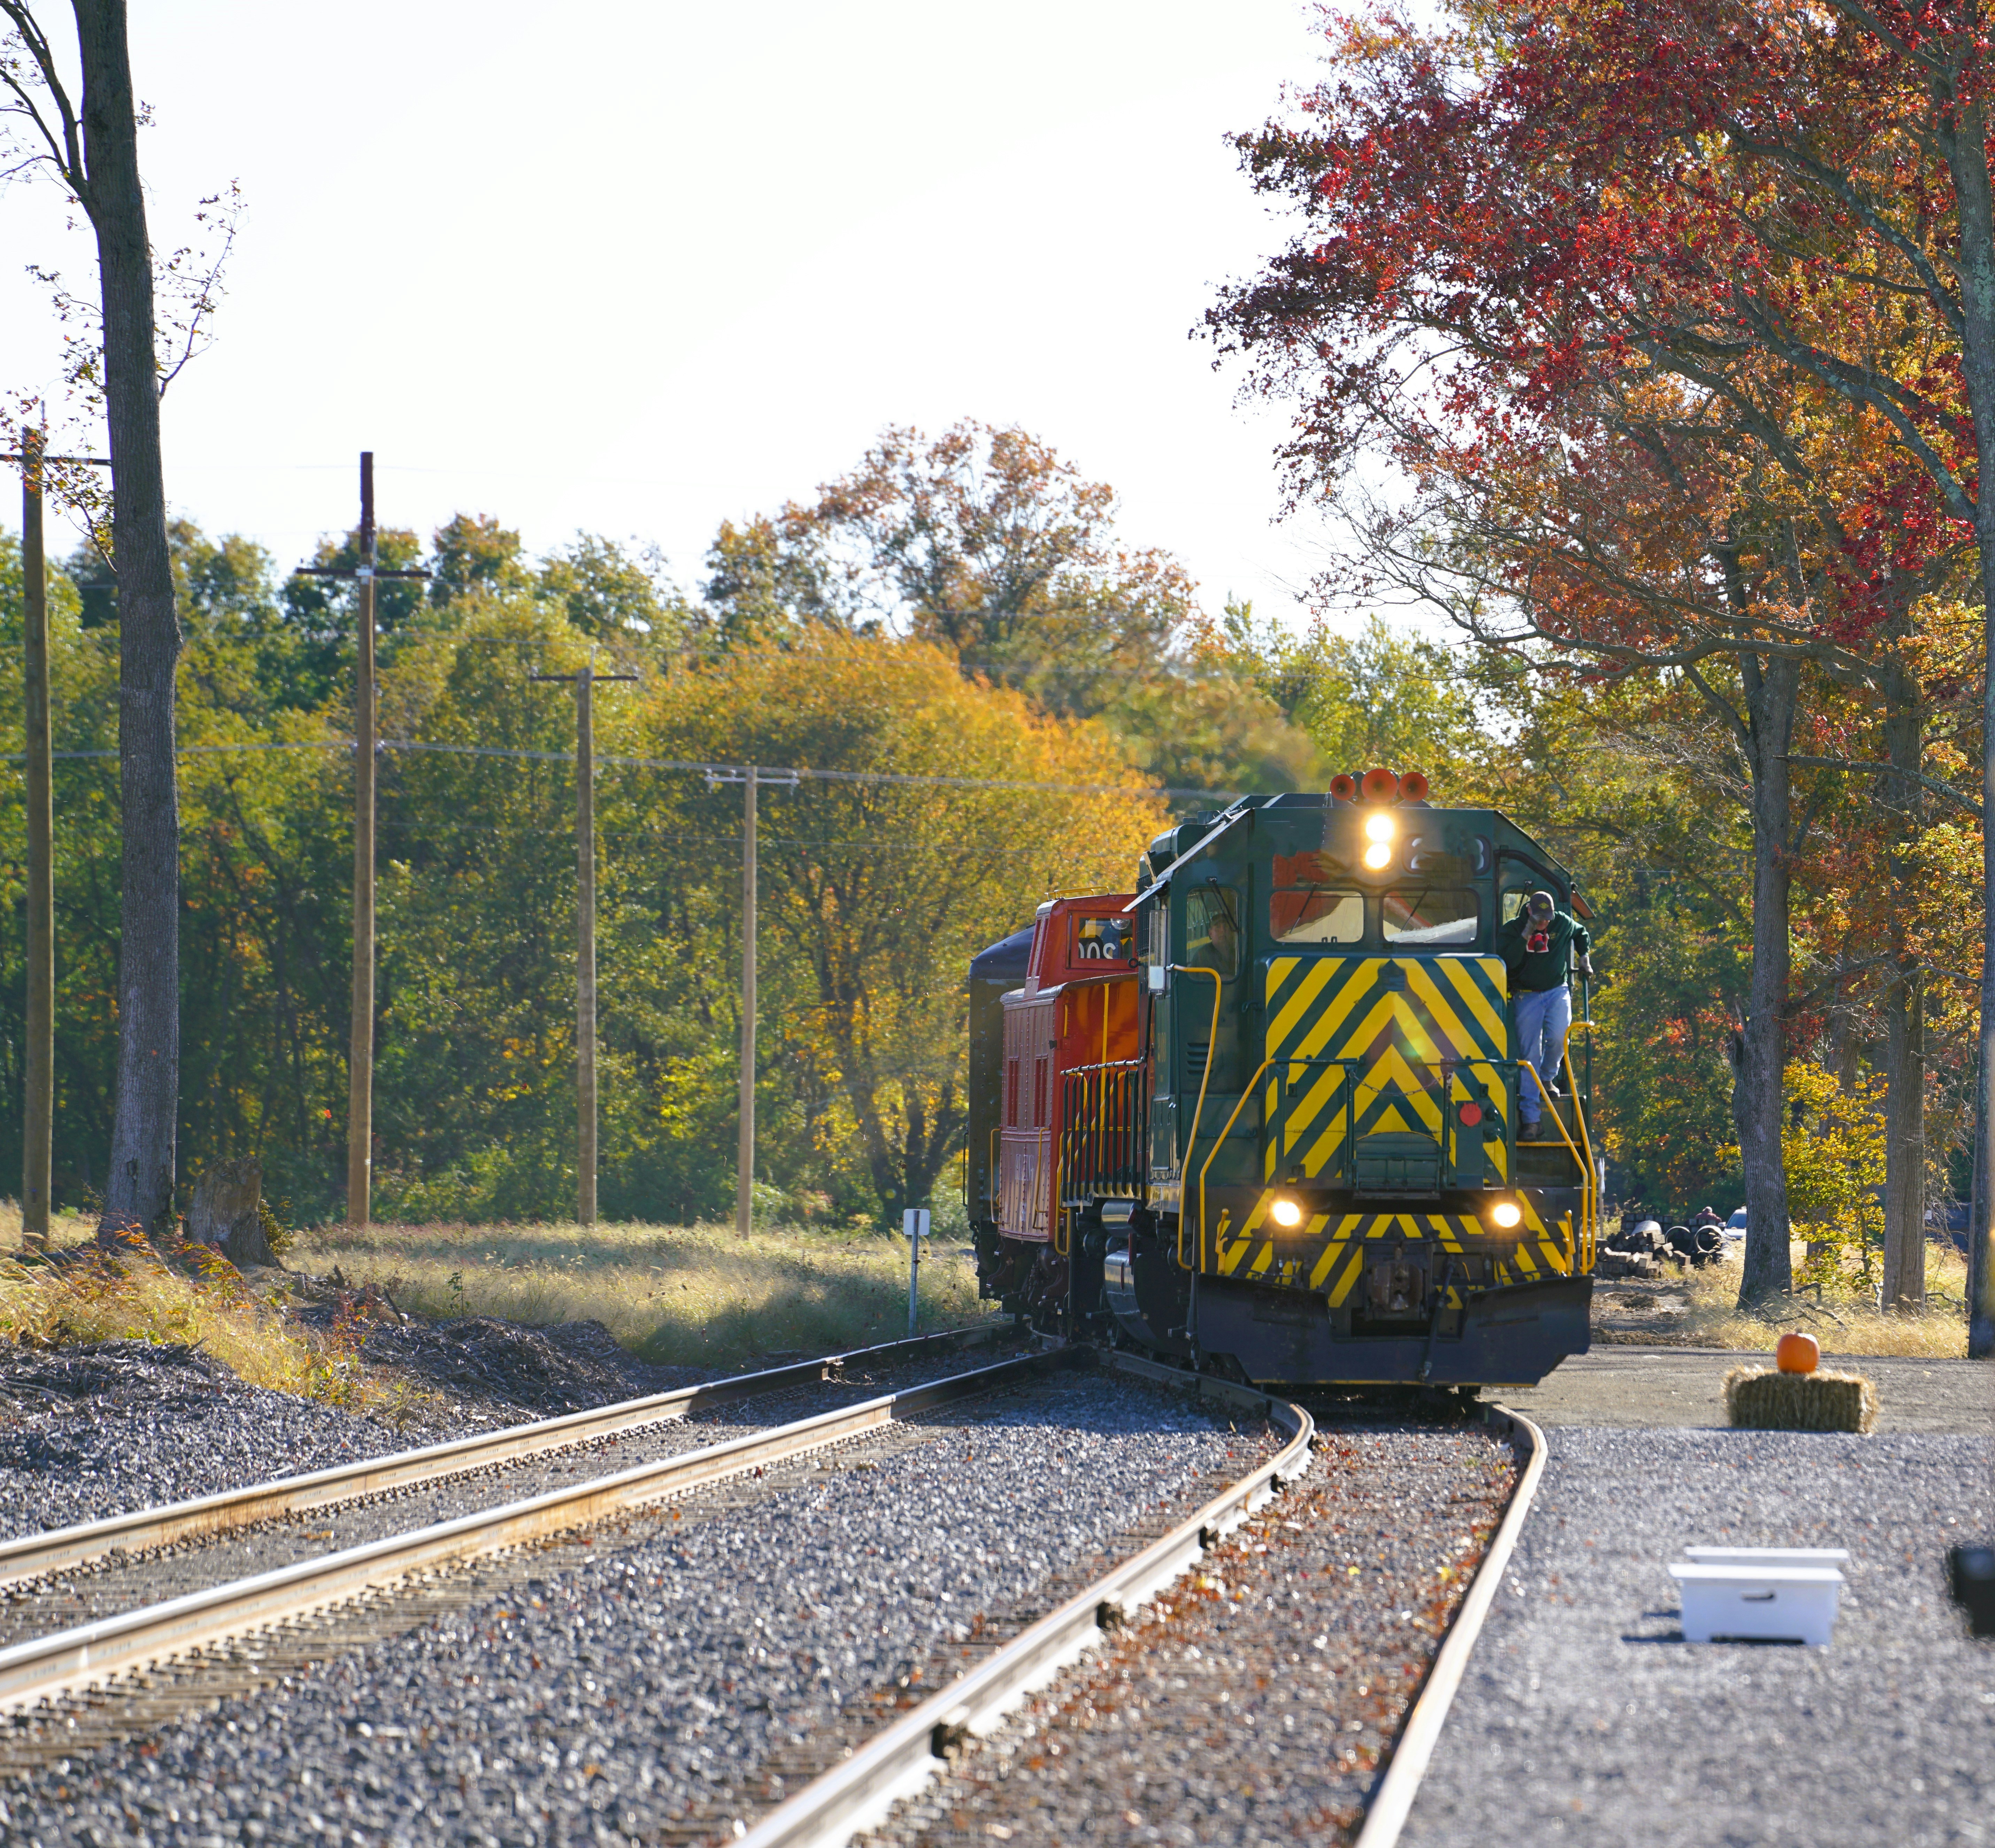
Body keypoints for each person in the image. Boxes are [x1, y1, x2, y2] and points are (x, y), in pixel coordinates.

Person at [1497, 889, 1592, 1134]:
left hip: (1556, 991)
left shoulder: (1561, 921)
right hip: (1525, 995)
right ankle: (1531, 1119)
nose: (1544, 923)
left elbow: (1581, 933)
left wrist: (1585, 958)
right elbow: (1508, 961)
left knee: (1561, 1037)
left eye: (1547, 918)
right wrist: (1527, 932)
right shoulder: (1512, 929)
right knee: (1530, 1055)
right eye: (1539, 918)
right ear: (1529, 911)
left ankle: (1548, 1077)